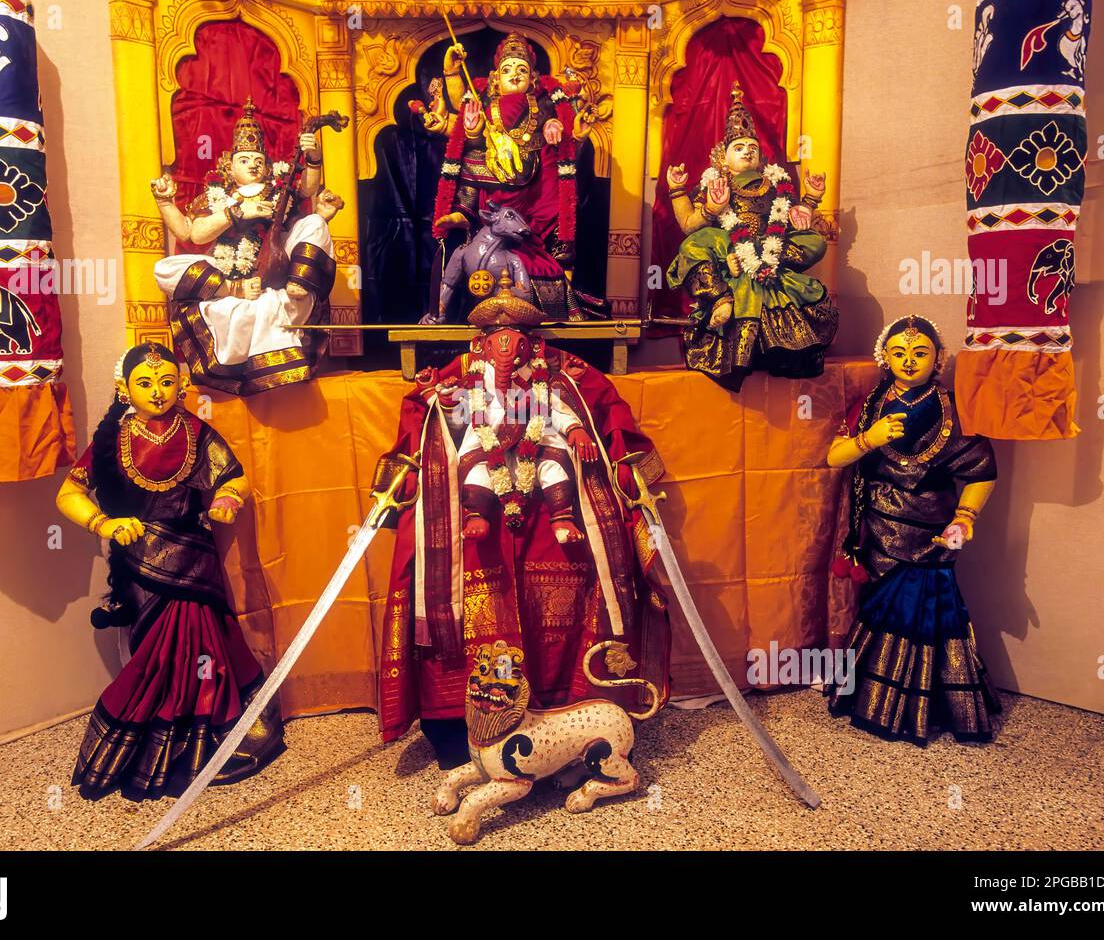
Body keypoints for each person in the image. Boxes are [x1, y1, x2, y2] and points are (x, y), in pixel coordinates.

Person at [372, 286, 670, 768]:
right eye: (494, 333)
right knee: (459, 489)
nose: (505, 341)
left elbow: (597, 414)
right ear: (482, 341)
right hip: (484, 478)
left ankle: (571, 713)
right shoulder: (462, 375)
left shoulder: (559, 374)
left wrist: (616, 458)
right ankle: (455, 723)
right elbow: (431, 415)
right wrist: (441, 412)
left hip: (544, 469)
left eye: (516, 333)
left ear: (531, 339)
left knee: (561, 484)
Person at [55, 342, 283, 797]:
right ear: (124, 389)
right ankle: (153, 736)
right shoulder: (110, 441)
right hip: (139, 564)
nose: (157, 392)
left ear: (181, 385)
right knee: (153, 653)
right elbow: (67, 495)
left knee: (205, 643)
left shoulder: (196, 432)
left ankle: (217, 725)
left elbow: (233, 476)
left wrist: (225, 500)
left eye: (166, 381)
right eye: (144, 383)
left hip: (192, 557)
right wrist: (104, 522)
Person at [826, 315, 1001, 744]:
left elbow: (981, 471)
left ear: (937, 359)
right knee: (882, 611)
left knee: (930, 615)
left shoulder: (951, 410)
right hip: (879, 528)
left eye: (919, 353)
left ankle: (932, 706)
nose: (908, 361)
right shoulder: (872, 405)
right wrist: (873, 437)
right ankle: (870, 699)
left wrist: (966, 518)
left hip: (931, 532)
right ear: (884, 357)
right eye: (899, 353)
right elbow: (834, 457)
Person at [150, 100, 340, 393]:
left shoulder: (278, 191)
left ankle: (297, 283)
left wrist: (313, 154)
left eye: (258, 160)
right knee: (165, 269)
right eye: (244, 160)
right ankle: (233, 292)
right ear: (229, 165)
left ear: (267, 166)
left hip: (276, 278)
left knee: (314, 222)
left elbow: (308, 188)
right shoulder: (218, 197)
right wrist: (168, 203)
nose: (252, 165)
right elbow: (193, 234)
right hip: (231, 281)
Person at [665, 83, 838, 390]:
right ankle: (719, 299)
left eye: (752, 148)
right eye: (739, 148)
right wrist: (688, 196)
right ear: (723, 157)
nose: (747, 152)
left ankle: (777, 349)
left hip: (771, 258)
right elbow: (689, 226)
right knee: (693, 244)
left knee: (816, 241)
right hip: (729, 255)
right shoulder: (715, 183)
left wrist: (810, 201)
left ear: (761, 157)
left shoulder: (775, 185)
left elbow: (791, 223)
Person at [429, 32, 600, 320]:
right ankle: (464, 213)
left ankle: (559, 298)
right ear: (496, 78)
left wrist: (555, 127)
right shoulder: (485, 99)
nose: (515, 75)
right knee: (472, 159)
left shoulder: (543, 101)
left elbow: (559, 124)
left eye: (522, 70)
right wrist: (453, 75)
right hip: (494, 182)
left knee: (557, 212)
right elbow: (463, 112)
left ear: (533, 78)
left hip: (534, 184)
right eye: (507, 69)